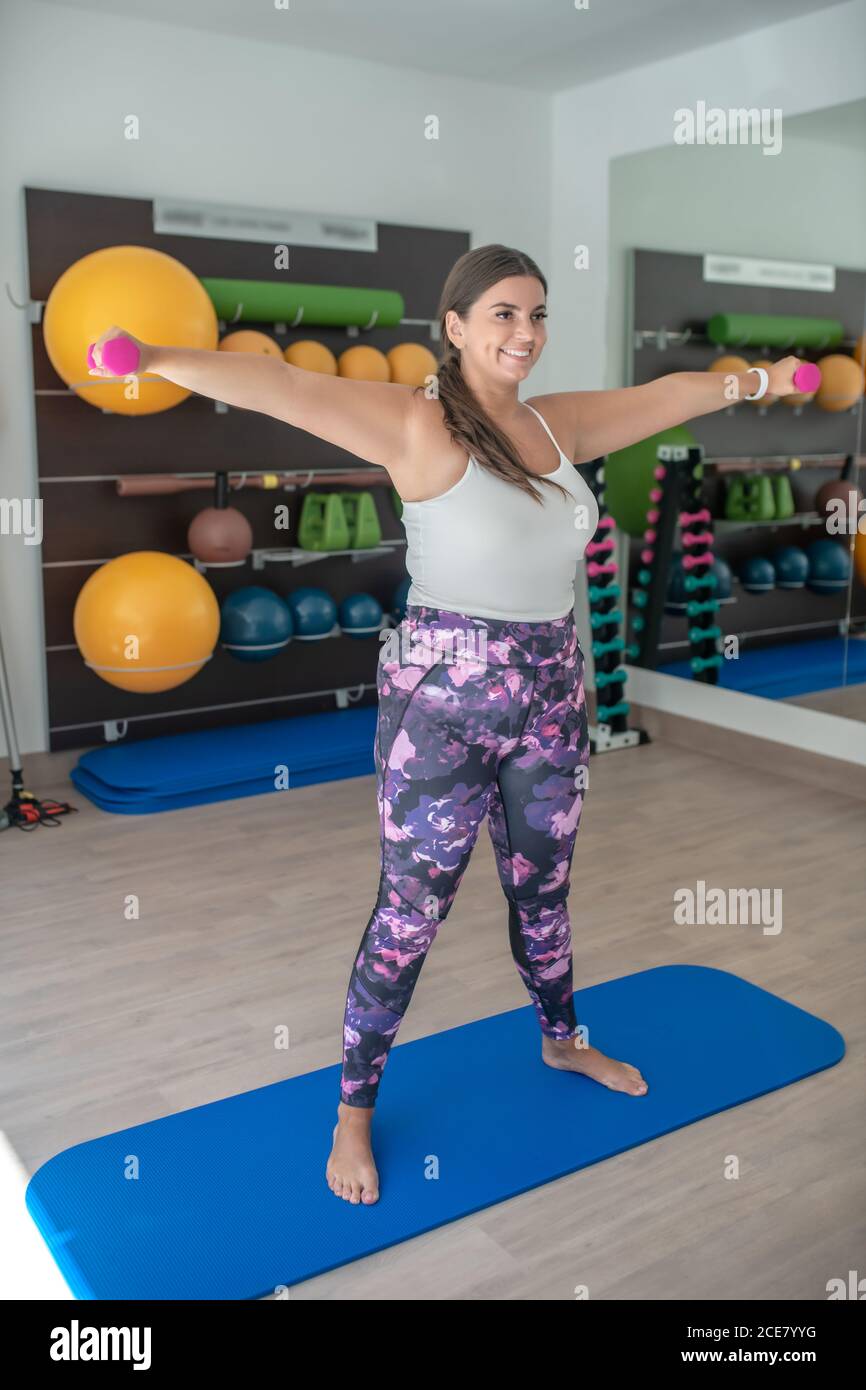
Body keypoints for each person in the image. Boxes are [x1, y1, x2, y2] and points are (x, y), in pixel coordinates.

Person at [89, 243, 803, 1209]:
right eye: (504, 313)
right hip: (442, 704)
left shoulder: (558, 424)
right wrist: (153, 357)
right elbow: (280, 384)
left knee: (542, 890)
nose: (525, 332)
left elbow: (670, 394)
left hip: (553, 690)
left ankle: (562, 1040)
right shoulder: (414, 422)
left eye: (538, 314)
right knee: (411, 912)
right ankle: (352, 1112)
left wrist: (759, 380)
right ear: (457, 326)